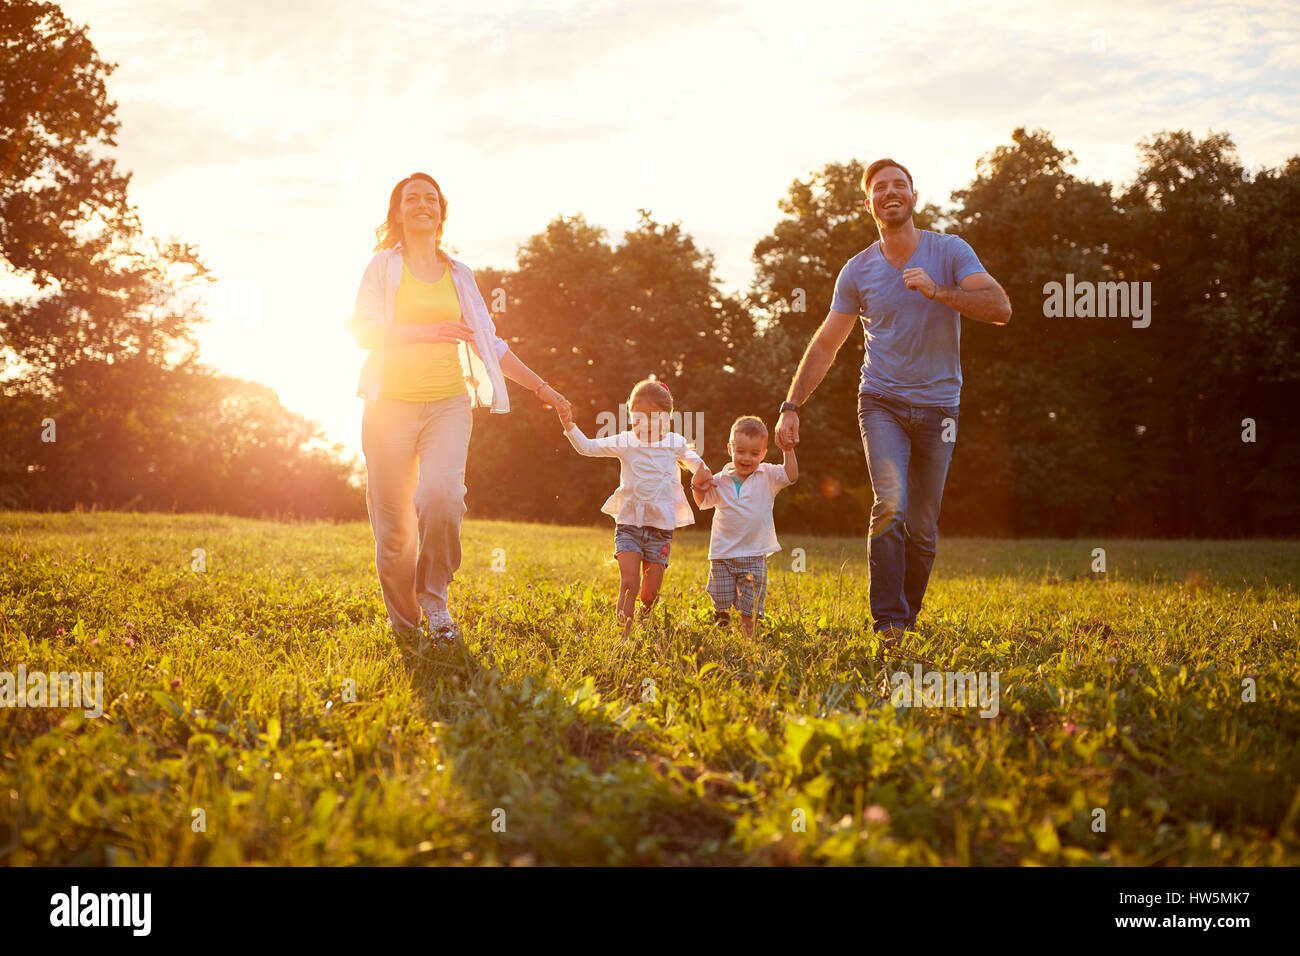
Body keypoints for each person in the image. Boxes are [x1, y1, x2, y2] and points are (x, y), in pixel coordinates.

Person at [774, 157, 1011, 649]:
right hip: (879, 400)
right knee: (890, 503)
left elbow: (1000, 309)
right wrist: (791, 406)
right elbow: (825, 345)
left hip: (940, 409)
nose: (889, 192)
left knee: (922, 527)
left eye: (898, 185)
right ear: (869, 204)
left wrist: (939, 291)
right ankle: (888, 625)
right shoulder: (857, 271)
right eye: (879, 188)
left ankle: (908, 617)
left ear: (914, 197)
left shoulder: (950, 252)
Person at [346, 172, 571, 645]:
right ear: (398, 212)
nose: (422, 204)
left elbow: (491, 344)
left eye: (431, 198)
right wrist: (427, 332)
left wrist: (543, 388)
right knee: (393, 529)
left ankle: (435, 601)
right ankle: (406, 628)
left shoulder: (460, 275)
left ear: (441, 212)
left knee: (441, 499)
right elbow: (363, 331)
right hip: (389, 407)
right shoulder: (382, 268)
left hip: (448, 404)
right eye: (412, 199)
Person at [559, 379, 713, 640]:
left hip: (660, 530)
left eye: (653, 417)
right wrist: (569, 425)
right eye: (637, 417)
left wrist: (706, 478)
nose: (644, 424)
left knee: (649, 594)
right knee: (629, 583)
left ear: (667, 418)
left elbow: (701, 468)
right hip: (629, 524)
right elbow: (587, 447)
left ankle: (645, 616)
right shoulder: (626, 441)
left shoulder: (675, 443)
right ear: (630, 415)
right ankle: (623, 638)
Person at [692, 416, 798, 639]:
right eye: (740, 451)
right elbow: (702, 502)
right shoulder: (720, 480)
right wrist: (697, 485)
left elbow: (791, 475)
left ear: (763, 453)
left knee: (750, 606)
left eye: (754, 453)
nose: (747, 458)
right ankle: (721, 618)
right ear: (730, 449)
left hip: (754, 554)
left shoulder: (768, 475)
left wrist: (788, 450)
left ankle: (748, 641)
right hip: (722, 554)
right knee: (721, 598)